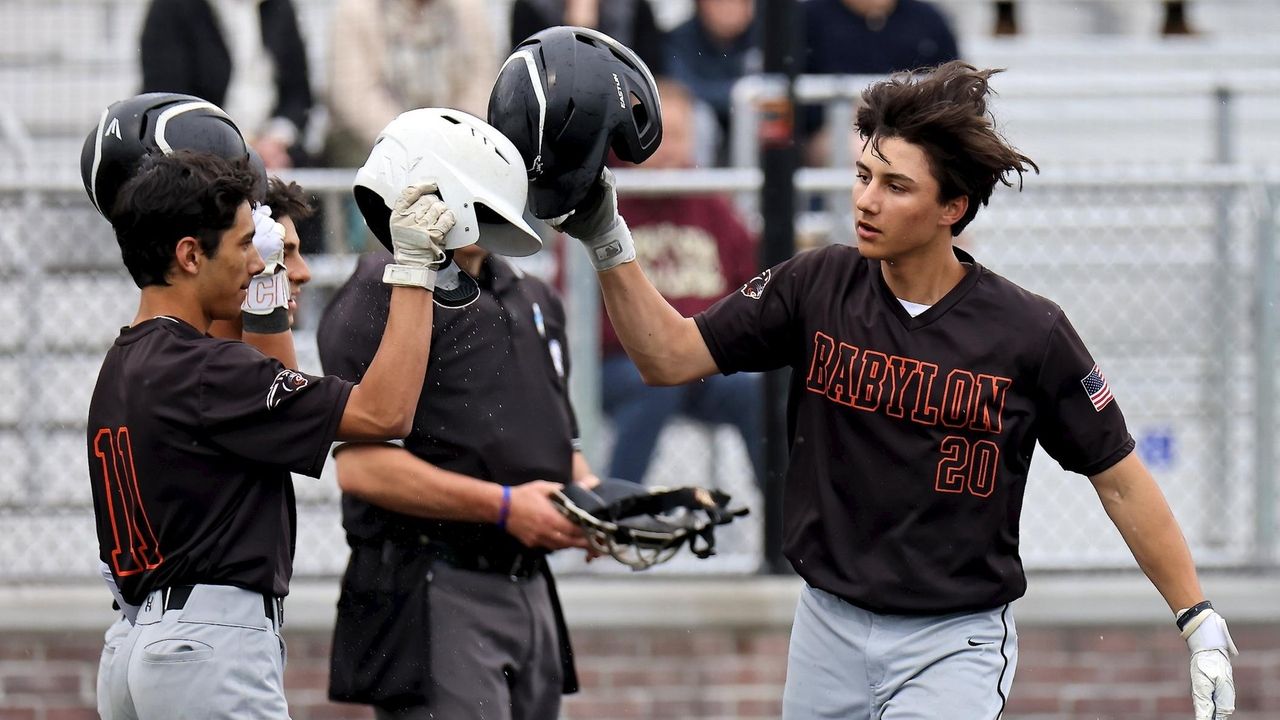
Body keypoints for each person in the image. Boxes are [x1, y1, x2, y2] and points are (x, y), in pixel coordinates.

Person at [554, 61, 1238, 719]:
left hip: (952, 641)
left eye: (896, 186)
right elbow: (668, 358)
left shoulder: (1030, 332)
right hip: (826, 627)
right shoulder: (815, 284)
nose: (866, 200)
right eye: (862, 175)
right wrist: (608, 238)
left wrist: (1197, 618)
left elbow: (1119, 480)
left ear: (953, 207)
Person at [87, 141, 453, 717]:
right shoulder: (206, 370)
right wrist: (413, 269)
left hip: (146, 636)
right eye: (245, 246)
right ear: (190, 255)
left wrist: (263, 304)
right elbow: (385, 414)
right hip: (209, 642)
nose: (260, 266)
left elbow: (268, 393)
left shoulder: (125, 359)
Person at [317, 107, 594, 720]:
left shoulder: (533, 295)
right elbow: (363, 467)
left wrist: (597, 510)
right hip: (435, 580)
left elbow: (558, 444)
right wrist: (503, 506)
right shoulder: (377, 295)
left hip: (529, 582)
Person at [601, 78, 762, 488]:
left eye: (678, 135)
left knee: (756, 392)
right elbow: (585, 314)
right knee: (654, 386)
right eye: (656, 135)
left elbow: (752, 287)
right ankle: (618, 509)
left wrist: (706, 348)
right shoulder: (604, 204)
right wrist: (662, 349)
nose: (668, 147)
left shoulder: (711, 202)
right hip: (623, 363)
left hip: (701, 361)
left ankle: (785, 515)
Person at [139, 0, 315, 169]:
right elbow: (170, 102)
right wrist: (239, 144)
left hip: (276, 156)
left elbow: (298, 94)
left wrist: (275, 140)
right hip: (200, 159)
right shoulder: (173, 7)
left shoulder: (278, 7)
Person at [324, 0, 497, 168]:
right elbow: (356, 98)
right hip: (375, 147)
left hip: (456, 146)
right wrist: (413, 143)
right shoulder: (355, 10)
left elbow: (483, 84)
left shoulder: (468, 8)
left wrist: (453, 137)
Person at [800, 0, 960, 163]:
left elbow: (952, 91)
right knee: (864, 150)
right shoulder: (807, 19)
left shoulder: (927, 20)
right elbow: (794, 98)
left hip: (915, 130)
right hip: (832, 133)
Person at [665, 0, 760, 164]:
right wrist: (740, 94)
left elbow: (775, 88)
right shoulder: (679, 38)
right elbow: (681, 88)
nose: (729, 8)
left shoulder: (768, 35)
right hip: (705, 124)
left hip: (752, 122)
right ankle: (700, 179)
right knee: (700, 119)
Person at [509, 0, 666, 75]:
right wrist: (579, 26)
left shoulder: (635, 9)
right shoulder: (530, 9)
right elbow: (524, 74)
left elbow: (651, 74)